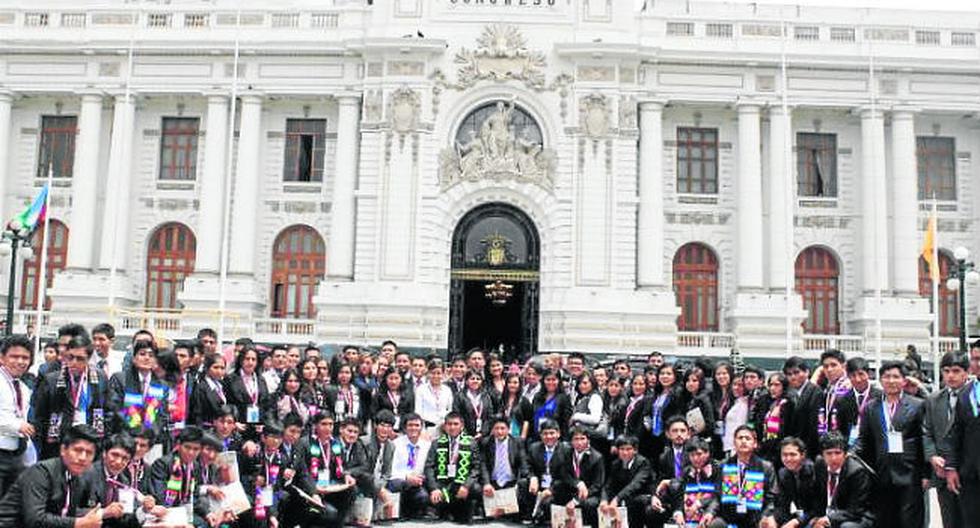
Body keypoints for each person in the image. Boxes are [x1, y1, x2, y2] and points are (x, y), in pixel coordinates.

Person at [853, 360, 926, 528]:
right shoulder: (872, 407)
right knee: (885, 520)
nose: (891, 381)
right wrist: (851, 453)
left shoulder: (917, 405)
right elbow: (864, 439)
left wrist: (926, 474)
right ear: (880, 380)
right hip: (882, 474)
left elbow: (925, 439)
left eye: (896, 377)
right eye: (886, 377)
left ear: (903, 380)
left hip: (910, 474)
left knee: (910, 521)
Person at [0, 424, 103, 528]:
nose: (82, 457)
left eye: (89, 453)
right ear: (63, 450)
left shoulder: (78, 478)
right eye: (77, 450)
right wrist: (78, 523)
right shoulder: (41, 472)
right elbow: (35, 519)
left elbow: (66, 514)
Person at [32, 334, 110, 460]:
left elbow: (107, 410)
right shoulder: (52, 380)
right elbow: (40, 417)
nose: (74, 363)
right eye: (70, 357)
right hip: (60, 443)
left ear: (88, 359)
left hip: (90, 440)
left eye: (80, 359)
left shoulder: (100, 378)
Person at [923, 352, 969, 528]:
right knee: (949, 521)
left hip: (968, 471)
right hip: (941, 472)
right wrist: (932, 456)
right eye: (946, 371)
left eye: (956, 371)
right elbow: (927, 432)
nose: (950, 376)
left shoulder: (974, 397)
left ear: (966, 372)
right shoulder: (933, 400)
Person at [944, 342, 980, 528]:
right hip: (970, 474)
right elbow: (955, 433)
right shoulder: (966, 394)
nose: (978, 363)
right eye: (975, 359)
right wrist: (951, 467)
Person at [716, 425, 778, 528]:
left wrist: (765, 516)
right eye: (740, 438)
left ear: (755, 444)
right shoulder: (724, 465)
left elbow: (771, 499)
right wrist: (709, 513)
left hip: (756, 519)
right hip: (729, 517)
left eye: (748, 438)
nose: (743, 441)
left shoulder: (766, 467)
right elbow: (717, 495)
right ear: (734, 443)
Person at [423, 411, 480, 523]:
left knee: (476, 489)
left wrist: (466, 486)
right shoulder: (437, 443)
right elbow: (429, 467)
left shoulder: (471, 443)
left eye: (455, 424)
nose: (452, 427)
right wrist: (434, 488)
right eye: (449, 424)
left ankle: (462, 508)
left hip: (460, 482)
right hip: (443, 482)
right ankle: (443, 508)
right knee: (434, 495)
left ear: (462, 426)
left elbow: (476, 468)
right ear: (444, 426)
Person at [812, 431, 875, 528]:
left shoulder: (856, 472)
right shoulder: (819, 465)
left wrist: (829, 519)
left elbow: (855, 510)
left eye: (838, 453)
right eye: (828, 453)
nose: (833, 458)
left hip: (857, 517)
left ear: (845, 454)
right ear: (822, 455)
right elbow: (818, 497)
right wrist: (817, 518)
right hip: (830, 514)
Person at [550, 426, 605, 528]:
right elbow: (563, 473)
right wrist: (578, 483)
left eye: (582, 438)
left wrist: (576, 501)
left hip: (589, 493)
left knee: (589, 503)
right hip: (573, 488)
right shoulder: (566, 453)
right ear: (571, 441)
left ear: (588, 440)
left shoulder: (597, 457)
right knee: (558, 486)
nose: (579, 442)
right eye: (576, 439)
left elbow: (597, 484)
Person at [0, 335, 34, 497]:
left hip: (15, 454)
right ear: (2, 358)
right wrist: (17, 426)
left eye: (25, 358)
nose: (20, 361)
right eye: (14, 356)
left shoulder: (24, 388)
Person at [662, 437, 722, 528]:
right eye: (692, 455)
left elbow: (718, 496)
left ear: (707, 453)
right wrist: (678, 512)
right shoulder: (687, 471)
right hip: (689, 517)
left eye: (699, 454)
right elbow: (679, 495)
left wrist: (699, 504)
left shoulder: (717, 470)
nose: (695, 458)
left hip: (712, 514)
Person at [381, 412, 429, 519]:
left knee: (423, 497)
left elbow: (428, 467)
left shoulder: (426, 446)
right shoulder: (395, 444)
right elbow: (390, 468)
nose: (413, 428)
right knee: (402, 484)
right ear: (404, 427)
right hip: (397, 480)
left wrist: (419, 478)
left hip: (418, 481)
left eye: (417, 425)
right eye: (410, 425)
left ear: (421, 427)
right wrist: (406, 477)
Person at [479, 416, 527, 519]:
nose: (499, 432)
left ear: (508, 429)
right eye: (496, 428)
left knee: (512, 516)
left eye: (502, 428)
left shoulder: (517, 442)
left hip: (511, 483)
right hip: (494, 483)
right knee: (491, 516)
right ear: (492, 429)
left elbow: (523, 464)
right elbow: (483, 465)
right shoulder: (486, 442)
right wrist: (487, 483)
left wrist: (518, 484)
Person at [600, 435, 651, 528]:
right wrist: (604, 500)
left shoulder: (643, 462)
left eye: (628, 449)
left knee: (637, 501)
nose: (625, 452)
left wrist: (617, 499)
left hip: (641, 496)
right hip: (623, 498)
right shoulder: (615, 464)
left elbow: (635, 485)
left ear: (635, 450)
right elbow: (608, 485)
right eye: (622, 449)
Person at [522, 418, 561, 524]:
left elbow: (566, 476)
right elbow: (526, 466)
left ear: (558, 434)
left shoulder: (566, 450)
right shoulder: (534, 448)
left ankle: (544, 515)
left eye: (552, 433)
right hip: (539, 483)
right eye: (545, 434)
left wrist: (552, 489)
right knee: (523, 483)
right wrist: (532, 477)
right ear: (541, 435)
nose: (548, 437)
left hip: (556, 486)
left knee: (549, 503)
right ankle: (528, 514)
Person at [774, 436, 818, 528]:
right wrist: (782, 522)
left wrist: (796, 521)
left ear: (803, 455)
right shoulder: (783, 473)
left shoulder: (814, 472)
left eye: (793, 454)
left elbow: (818, 507)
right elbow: (782, 505)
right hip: (799, 514)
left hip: (817, 515)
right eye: (784, 455)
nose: (788, 459)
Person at [783, 356, 823, 457]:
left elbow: (813, 425)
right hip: (791, 449)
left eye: (796, 372)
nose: (793, 377)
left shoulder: (816, 392)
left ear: (807, 372)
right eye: (789, 374)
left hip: (809, 449)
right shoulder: (788, 394)